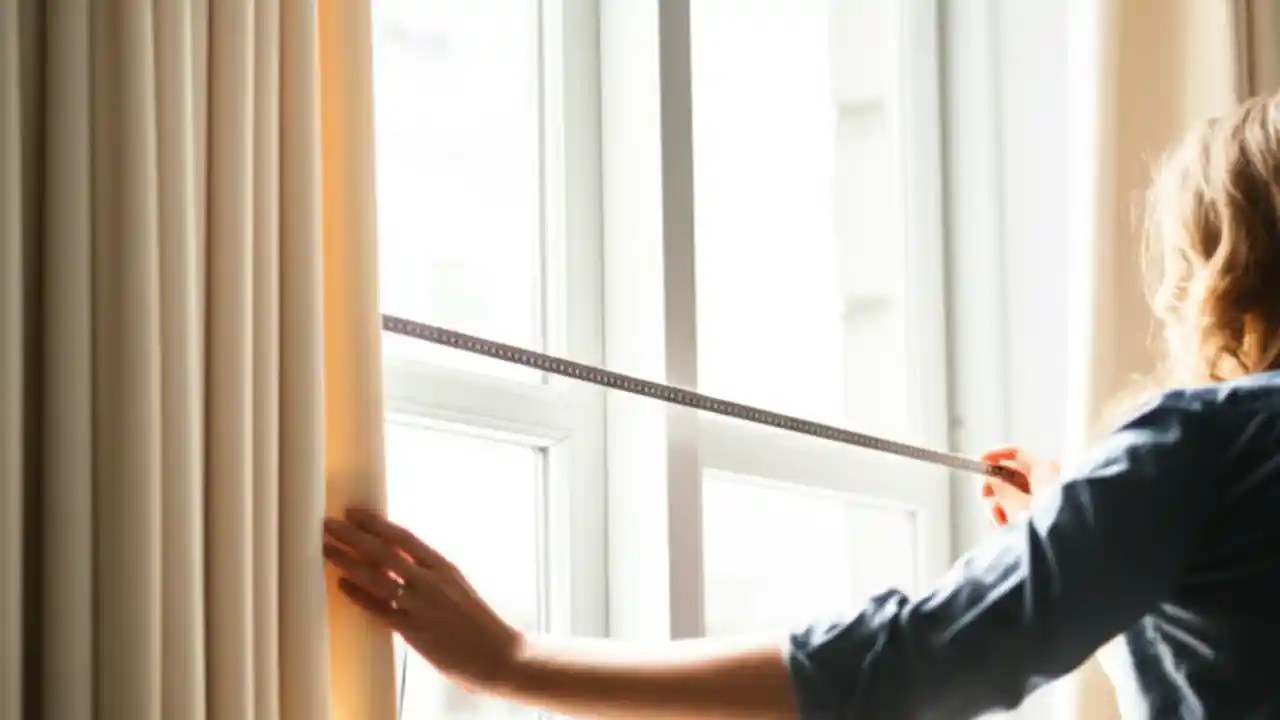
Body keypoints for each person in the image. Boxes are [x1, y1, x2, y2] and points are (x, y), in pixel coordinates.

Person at [323, 91, 1280, 718]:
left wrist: (513, 661)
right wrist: (1101, 525)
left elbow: (914, 659)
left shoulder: (1202, 444)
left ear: (1223, 271)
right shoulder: (1210, 458)